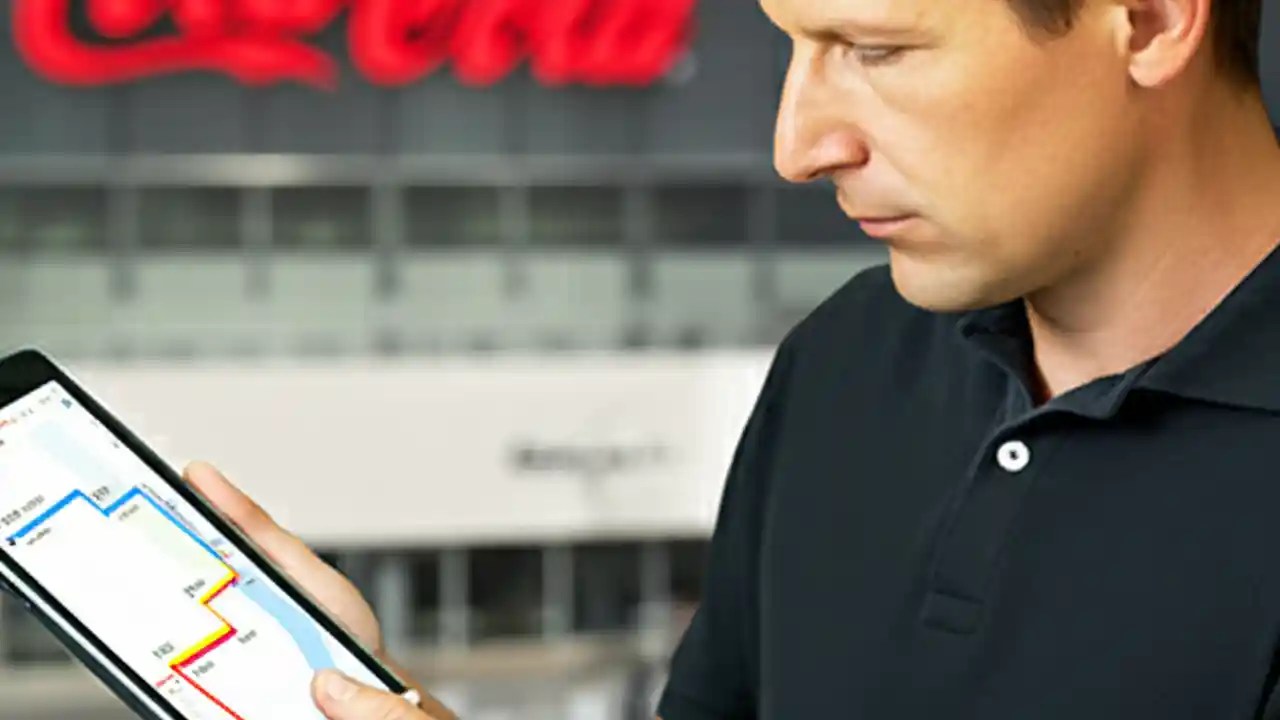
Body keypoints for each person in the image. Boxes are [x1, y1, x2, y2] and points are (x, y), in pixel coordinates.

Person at [186, 0, 1280, 715]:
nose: (797, 147)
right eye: (789, 45)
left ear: (1144, 20)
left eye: (872, 50)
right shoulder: (847, 359)